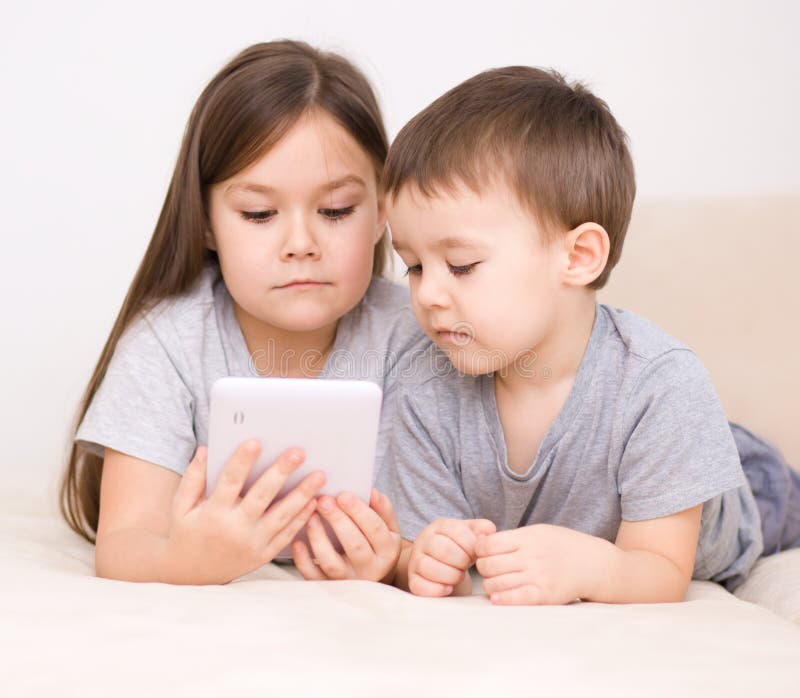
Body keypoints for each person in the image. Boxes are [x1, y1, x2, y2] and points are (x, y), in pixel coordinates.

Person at [377, 66, 800, 604]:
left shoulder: (659, 385)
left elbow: (663, 570)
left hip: (748, 492)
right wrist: (427, 557)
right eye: (413, 266)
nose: (428, 294)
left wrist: (591, 567)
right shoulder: (422, 384)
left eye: (460, 265)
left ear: (577, 257)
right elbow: (424, 546)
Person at [60, 40, 418, 586]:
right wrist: (189, 561)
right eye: (258, 213)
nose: (300, 243)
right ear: (205, 223)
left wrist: (394, 564)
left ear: (381, 214)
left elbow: (451, 531)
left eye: (336, 210)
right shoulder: (170, 342)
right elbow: (123, 546)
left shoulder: (418, 334)